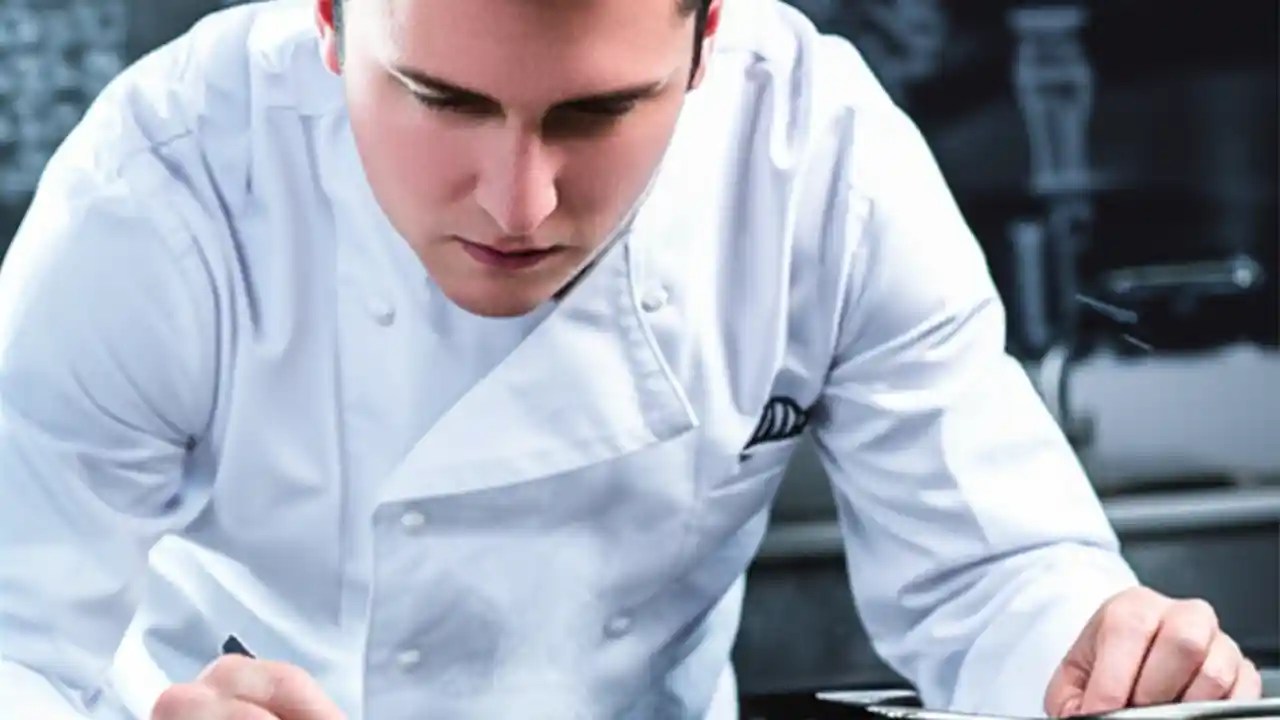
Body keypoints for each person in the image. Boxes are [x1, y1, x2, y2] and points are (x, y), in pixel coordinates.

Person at [0, 0, 1262, 718]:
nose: (518, 202)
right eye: (442, 101)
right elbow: (14, 648)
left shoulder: (816, 157)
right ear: (330, 19)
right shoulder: (167, 186)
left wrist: (1101, 653)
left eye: (595, 113)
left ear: (706, 37)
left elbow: (992, 578)